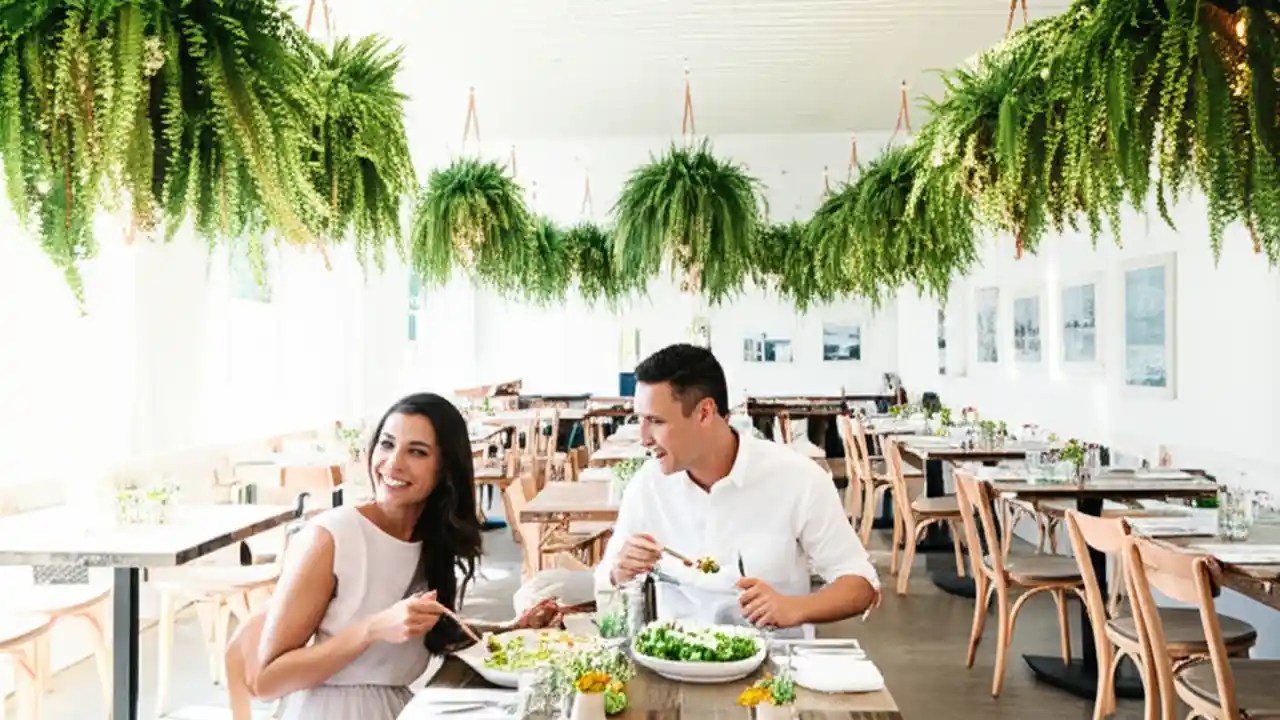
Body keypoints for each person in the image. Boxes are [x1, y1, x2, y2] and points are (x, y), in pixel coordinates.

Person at [225, 393, 563, 720]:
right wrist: (372, 629)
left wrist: (509, 629)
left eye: (416, 451)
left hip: (399, 707)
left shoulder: (430, 538)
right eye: (387, 444)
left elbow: (425, 631)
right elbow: (267, 680)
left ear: (445, 469)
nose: (393, 463)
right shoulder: (330, 537)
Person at [597, 344, 880, 635]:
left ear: (705, 412)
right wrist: (621, 570)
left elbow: (861, 584)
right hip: (676, 661)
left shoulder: (798, 478)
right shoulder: (647, 486)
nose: (643, 437)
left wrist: (794, 608)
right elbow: (607, 578)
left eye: (656, 421)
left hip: (774, 663)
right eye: (638, 420)